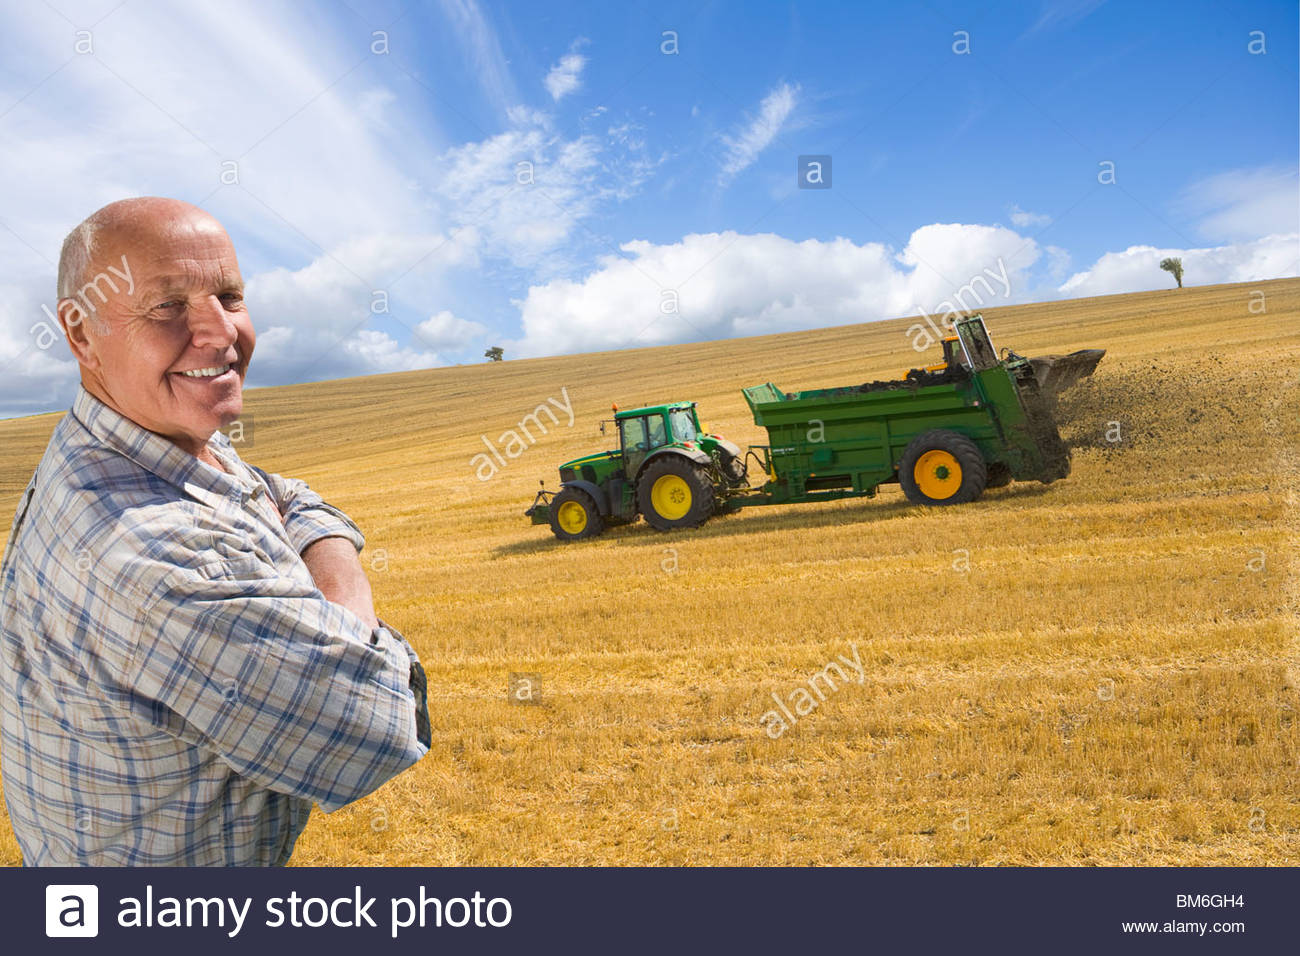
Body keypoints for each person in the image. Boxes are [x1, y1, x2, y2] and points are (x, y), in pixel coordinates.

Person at [0, 197, 430, 865]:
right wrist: (342, 584)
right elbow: (382, 722)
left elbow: (279, 492)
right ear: (80, 334)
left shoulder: (134, 439)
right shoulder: (157, 557)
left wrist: (311, 549)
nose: (220, 333)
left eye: (229, 295)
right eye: (168, 306)